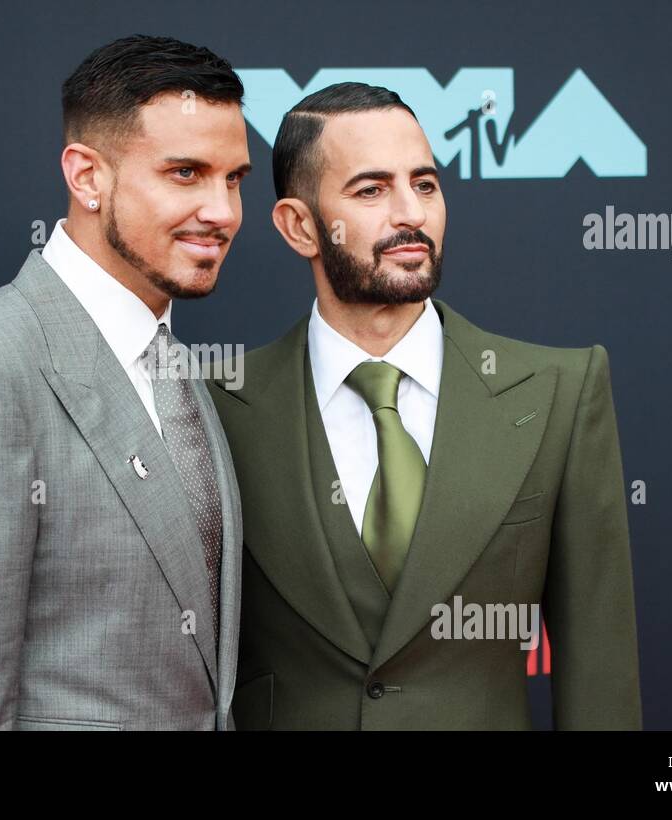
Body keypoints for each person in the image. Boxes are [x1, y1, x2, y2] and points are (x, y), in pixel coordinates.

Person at [208, 82, 642, 730]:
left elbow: (600, 672)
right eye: (371, 190)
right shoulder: (216, 405)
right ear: (300, 225)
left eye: (426, 184)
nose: (411, 212)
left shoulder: (560, 390)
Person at [0, 35, 252, 730]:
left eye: (234, 179)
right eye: (186, 174)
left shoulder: (168, 357)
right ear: (86, 177)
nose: (223, 212)